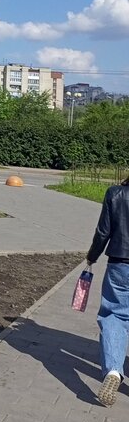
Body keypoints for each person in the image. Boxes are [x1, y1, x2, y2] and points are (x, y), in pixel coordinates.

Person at [86, 174, 129, 406]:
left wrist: (92, 257)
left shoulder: (116, 193)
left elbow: (103, 231)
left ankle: (113, 370)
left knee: (115, 316)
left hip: (120, 264)